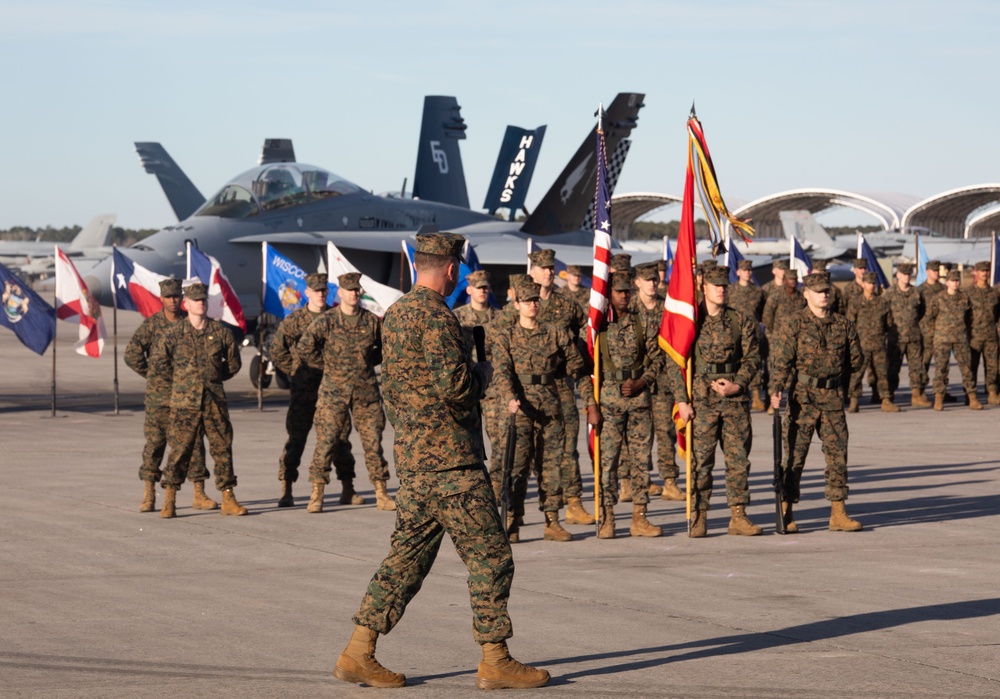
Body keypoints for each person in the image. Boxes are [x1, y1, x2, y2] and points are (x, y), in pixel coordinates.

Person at [332, 232, 549, 691]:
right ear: (451, 269)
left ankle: (358, 651)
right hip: (451, 463)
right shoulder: (436, 317)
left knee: (405, 561)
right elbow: (456, 388)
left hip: (414, 461)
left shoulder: (394, 315)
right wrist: (482, 374)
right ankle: (495, 659)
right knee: (492, 558)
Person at [668, 266, 761, 537]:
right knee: (700, 462)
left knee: (738, 460)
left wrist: (738, 384)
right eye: (715, 285)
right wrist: (681, 401)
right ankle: (699, 515)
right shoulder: (690, 321)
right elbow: (675, 362)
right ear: (703, 287)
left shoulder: (739, 320)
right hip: (701, 401)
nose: (721, 289)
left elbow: (753, 357)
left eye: (724, 285)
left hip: (734, 400)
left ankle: (738, 515)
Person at [769, 273, 864, 533]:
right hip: (803, 397)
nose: (824, 295)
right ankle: (786, 510)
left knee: (837, 456)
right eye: (818, 291)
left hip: (832, 399)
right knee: (794, 457)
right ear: (806, 293)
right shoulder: (795, 323)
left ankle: (838, 512)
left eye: (827, 291)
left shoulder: (843, 325)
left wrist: (839, 381)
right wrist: (775, 389)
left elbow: (856, 361)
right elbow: (782, 361)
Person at [493, 279, 586, 542]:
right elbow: (501, 371)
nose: (533, 304)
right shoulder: (507, 336)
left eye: (536, 300)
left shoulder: (555, 333)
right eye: (527, 301)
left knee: (550, 467)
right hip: (520, 409)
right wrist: (509, 398)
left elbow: (576, 365)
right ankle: (512, 520)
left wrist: (586, 391)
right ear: (517, 305)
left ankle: (552, 521)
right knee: (516, 468)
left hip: (549, 409)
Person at [298, 273, 395, 512]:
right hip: (333, 393)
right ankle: (317, 493)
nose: (353, 293)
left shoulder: (372, 321)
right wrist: (328, 364)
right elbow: (305, 347)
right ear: (339, 293)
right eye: (349, 289)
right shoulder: (327, 321)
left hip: (366, 394)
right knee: (326, 442)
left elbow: (386, 348)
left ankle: (381, 492)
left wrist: (370, 362)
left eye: (356, 290)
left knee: (373, 444)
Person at [583, 271, 665, 539]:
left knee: (641, 462)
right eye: (619, 291)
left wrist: (643, 381)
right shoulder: (599, 328)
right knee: (608, 464)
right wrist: (590, 404)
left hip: (639, 402)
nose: (624, 296)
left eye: (628, 291)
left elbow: (657, 359)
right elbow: (585, 369)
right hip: (608, 404)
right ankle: (606, 517)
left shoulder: (643, 324)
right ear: (608, 294)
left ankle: (640, 517)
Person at [155, 282, 247, 518]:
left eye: (204, 300)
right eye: (196, 300)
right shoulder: (174, 334)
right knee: (179, 452)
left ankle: (228, 497)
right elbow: (160, 365)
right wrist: (182, 383)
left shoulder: (221, 333)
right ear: (186, 305)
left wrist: (213, 379)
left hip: (214, 402)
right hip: (184, 404)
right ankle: (170, 499)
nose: (201, 303)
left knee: (222, 449)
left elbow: (233, 364)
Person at [270, 273, 361, 508]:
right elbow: (277, 350)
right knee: (296, 440)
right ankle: (286, 488)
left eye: (323, 291)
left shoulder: (337, 317)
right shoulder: (294, 321)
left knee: (340, 440)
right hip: (304, 392)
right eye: (316, 290)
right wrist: (295, 371)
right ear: (306, 293)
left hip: (334, 390)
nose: (320, 294)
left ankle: (347, 488)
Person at [124, 278, 212, 513]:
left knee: (193, 445)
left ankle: (199, 492)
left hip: (186, 398)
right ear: (161, 298)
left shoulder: (191, 324)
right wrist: (154, 375)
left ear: (182, 300)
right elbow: (131, 355)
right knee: (155, 444)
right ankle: (149, 494)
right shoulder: (151, 325)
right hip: (159, 399)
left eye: (176, 296)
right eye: (169, 296)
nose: (173, 300)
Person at [529, 248, 594, 526]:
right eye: (543, 268)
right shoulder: (523, 304)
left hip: (561, 384)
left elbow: (585, 335)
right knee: (536, 451)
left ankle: (574, 502)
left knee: (569, 447)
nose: (548, 272)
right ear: (532, 270)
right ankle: (547, 505)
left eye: (551, 268)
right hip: (531, 388)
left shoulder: (567, 305)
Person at [630, 262, 682, 500]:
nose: (652, 284)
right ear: (637, 282)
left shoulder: (667, 308)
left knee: (665, 431)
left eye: (655, 280)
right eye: (647, 280)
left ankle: (669, 481)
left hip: (662, 381)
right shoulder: (628, 308)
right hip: (635, 380)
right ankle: (634, 480)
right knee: (636, 434)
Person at [929, 270, 982, 410]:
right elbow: (930, 317)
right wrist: (936, 333)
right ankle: (939, 398)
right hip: (942, 338)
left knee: (967, 369)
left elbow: (970, 317)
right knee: (941, 369)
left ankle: (972, 398)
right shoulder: (938, 298)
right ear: (947, 282)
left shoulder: (965, 297)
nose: (955, 283)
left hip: (960, 338)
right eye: (952, 280)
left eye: (957, 280)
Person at [847, 271, 900, 412]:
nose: (871, 286)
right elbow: (850, 324)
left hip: (879, 345)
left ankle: (885, 400)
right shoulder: (856, 302)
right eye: (869, 283)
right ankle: (854, 400)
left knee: (882, 373)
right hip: (861, 345)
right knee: (857, 374)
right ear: (863, 284)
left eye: (873, 283)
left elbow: (888, 324)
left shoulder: (882, 302)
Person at [885, 263, 930, 407]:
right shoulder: (889, 293)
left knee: (917, 367)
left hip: (914, 337)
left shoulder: (916, 293)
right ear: (897, 275)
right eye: (903, 274)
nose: (906, 276)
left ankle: (917, 395)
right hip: (896, 338)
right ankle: (889, 396)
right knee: (892, 368)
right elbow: (883, 313)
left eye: (909, 274)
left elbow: (922, 311)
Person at [727, 259, 767, 412]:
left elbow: (763, 312)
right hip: (735, 333)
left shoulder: (758, 291)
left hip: (753, 333)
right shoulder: (731, 290)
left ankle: (756, 397)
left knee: (753, 365)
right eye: (744, 270)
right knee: (736, 364)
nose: (747, 272)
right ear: (738, 272)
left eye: (749, 270)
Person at [966, 261, 1000, 404]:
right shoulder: (968, 293)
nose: (984, 273)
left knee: (992, 366)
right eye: (981, 271)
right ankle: (970, 394)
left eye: (986, 271)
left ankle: (992, 392)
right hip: (974, 336)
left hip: (991, 336)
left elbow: (997, 314)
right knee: (971, 366)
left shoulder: (994, 293)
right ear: (977, 273)